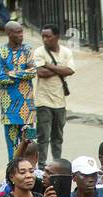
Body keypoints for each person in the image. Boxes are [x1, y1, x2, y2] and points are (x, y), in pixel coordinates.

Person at [0, 22, 35, 165]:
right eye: (17, 32)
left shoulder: (27, 50)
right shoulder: (0, 52)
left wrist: (11, 73)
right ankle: (12, 176)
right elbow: (0, 78)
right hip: (9, 109)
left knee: (29, 145)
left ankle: (29, 173)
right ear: (9, 34)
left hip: (28, 109)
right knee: (11, 148)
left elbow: (33, 72)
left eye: (22, 32)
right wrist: (23, 74)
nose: (21, 35)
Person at [33, 25, 74, 163]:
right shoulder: (39, 52)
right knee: (43, 136)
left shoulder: (66, 52)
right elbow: (41, 73)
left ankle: (57, 163)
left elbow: (70, 70)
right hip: (43, 101)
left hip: (60, 101)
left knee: (58, 136)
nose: (45, 39)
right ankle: (42, 165)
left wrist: (49, 65)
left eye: (48, 36)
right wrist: (60, 69)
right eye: (43, 36)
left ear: (57, 37)